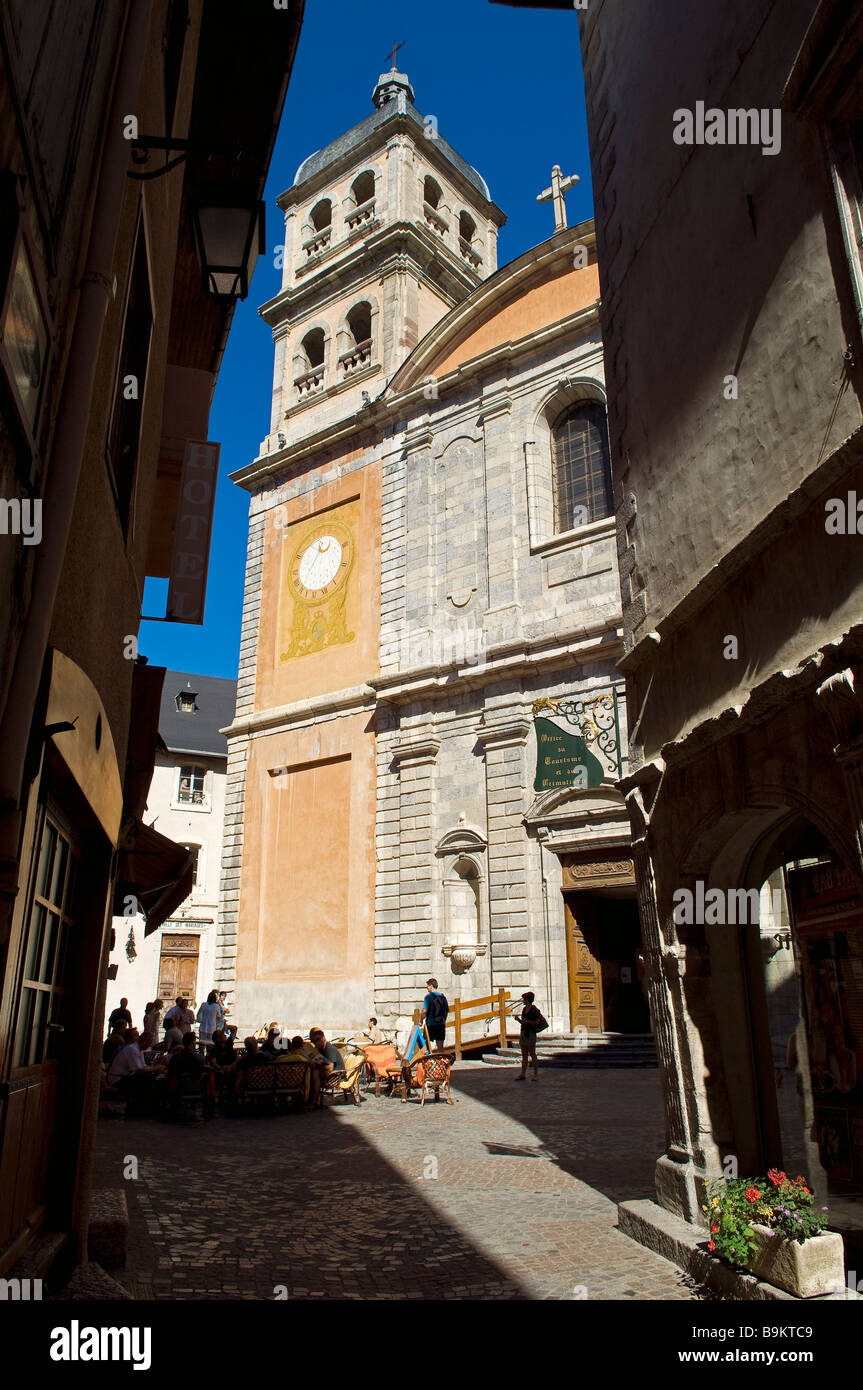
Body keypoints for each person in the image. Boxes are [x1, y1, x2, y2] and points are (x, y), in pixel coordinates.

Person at [107, 1029, 166, 1109]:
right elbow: (139, 1069)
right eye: (149, 1042)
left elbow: (144, 1066)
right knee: (145, 1080)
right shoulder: (132, 1049)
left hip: (125, 1077)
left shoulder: (138, 1050)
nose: (149, 1045)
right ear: (145, 1041)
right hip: (117, 1079)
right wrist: (156, 1068)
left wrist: (156, 1069)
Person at [514, 991, 545, 1081]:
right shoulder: (524, 1009)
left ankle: (536, 1075)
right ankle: (523, 1074)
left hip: (530, 1034)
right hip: (523, 1032)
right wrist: (518, 1020)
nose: (523, 1000)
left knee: (532, 1053)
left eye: (524, 999)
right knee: (524, 1055)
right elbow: (524, 1022)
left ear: (527, 1000)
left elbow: (537, 1022)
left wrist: (526, 1021)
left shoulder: (534, 1010)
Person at [420, 978, 449, 1051]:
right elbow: (446, 1010)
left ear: (431, 986)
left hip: (431, 1024)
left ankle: (428, 1061)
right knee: (440, 1047)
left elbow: (424, 1011)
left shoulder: (428, 997)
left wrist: (421, 1020)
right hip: (441, 1024)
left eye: (427, 985)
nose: (427, 987)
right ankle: (442, 1061)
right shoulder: (443, 997)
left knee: (425, 1046)